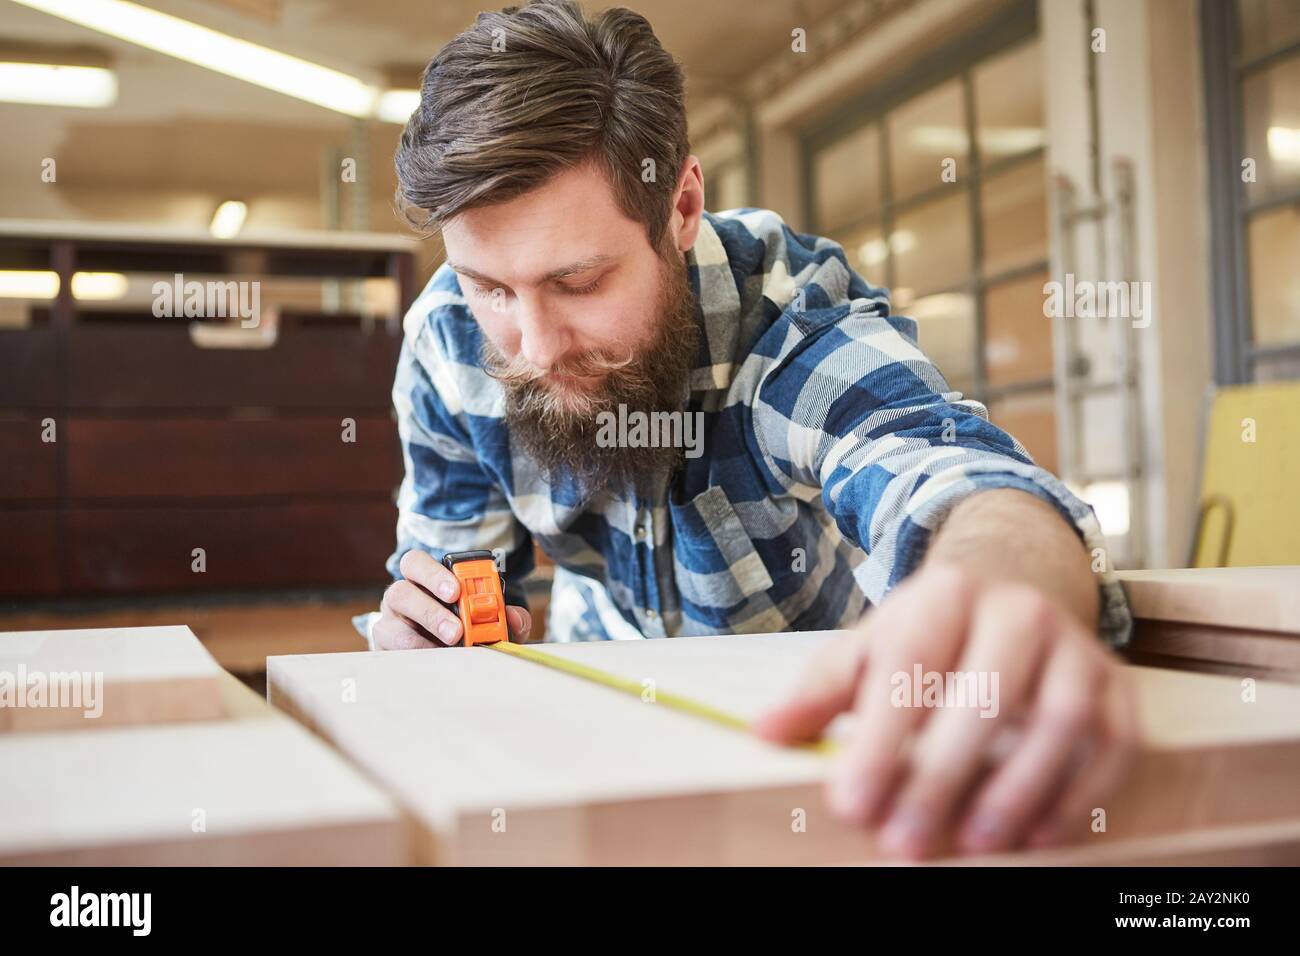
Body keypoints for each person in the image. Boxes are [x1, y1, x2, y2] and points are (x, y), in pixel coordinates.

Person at [359, 0, 1136, 859]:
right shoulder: (447, 342)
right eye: (491, 288)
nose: (534, 347)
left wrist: (1003, 580)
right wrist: (427, 628)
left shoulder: (791, 322)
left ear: (682, 207)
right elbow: (460, 585)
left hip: (822, 750)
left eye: (578, 283)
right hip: (598, 729)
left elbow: (948, 476)